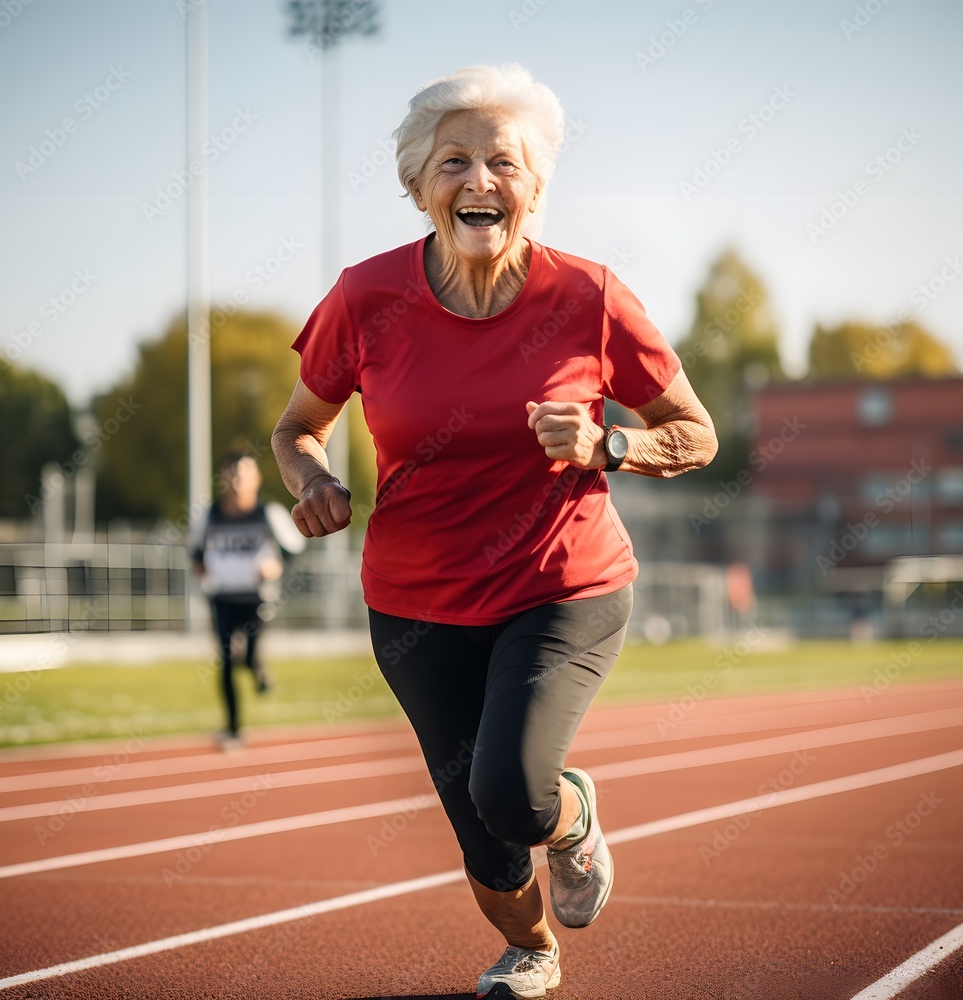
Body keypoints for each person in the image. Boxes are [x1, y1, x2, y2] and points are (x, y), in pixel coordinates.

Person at [272, 64, 717, 998]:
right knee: (480, 827)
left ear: (535, 187)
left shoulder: (590, 296)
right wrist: (312, 478)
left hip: (564, 585)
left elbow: (696, 431)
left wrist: (610, 443)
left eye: (502, 163)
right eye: (454, 162)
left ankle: (569, 814)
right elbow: (296, 427)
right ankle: (532, 950)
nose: (480, 181)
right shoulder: (365, 297)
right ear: (418, 186)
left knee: (512, 790)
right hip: (414, 604)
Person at [189, 451, 305, 750]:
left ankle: (256, 668)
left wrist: (275, 567)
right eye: (233, 474)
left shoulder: (268, 513)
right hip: (224, 597)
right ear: (223, 479)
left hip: (257, 599)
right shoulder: (211, 514)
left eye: (245, 473)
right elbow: (196, 554)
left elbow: (294, 549)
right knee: (227, 660)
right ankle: (233, 729)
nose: (239, 480)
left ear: (256, 477)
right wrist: (208, 582)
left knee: (249, 654)